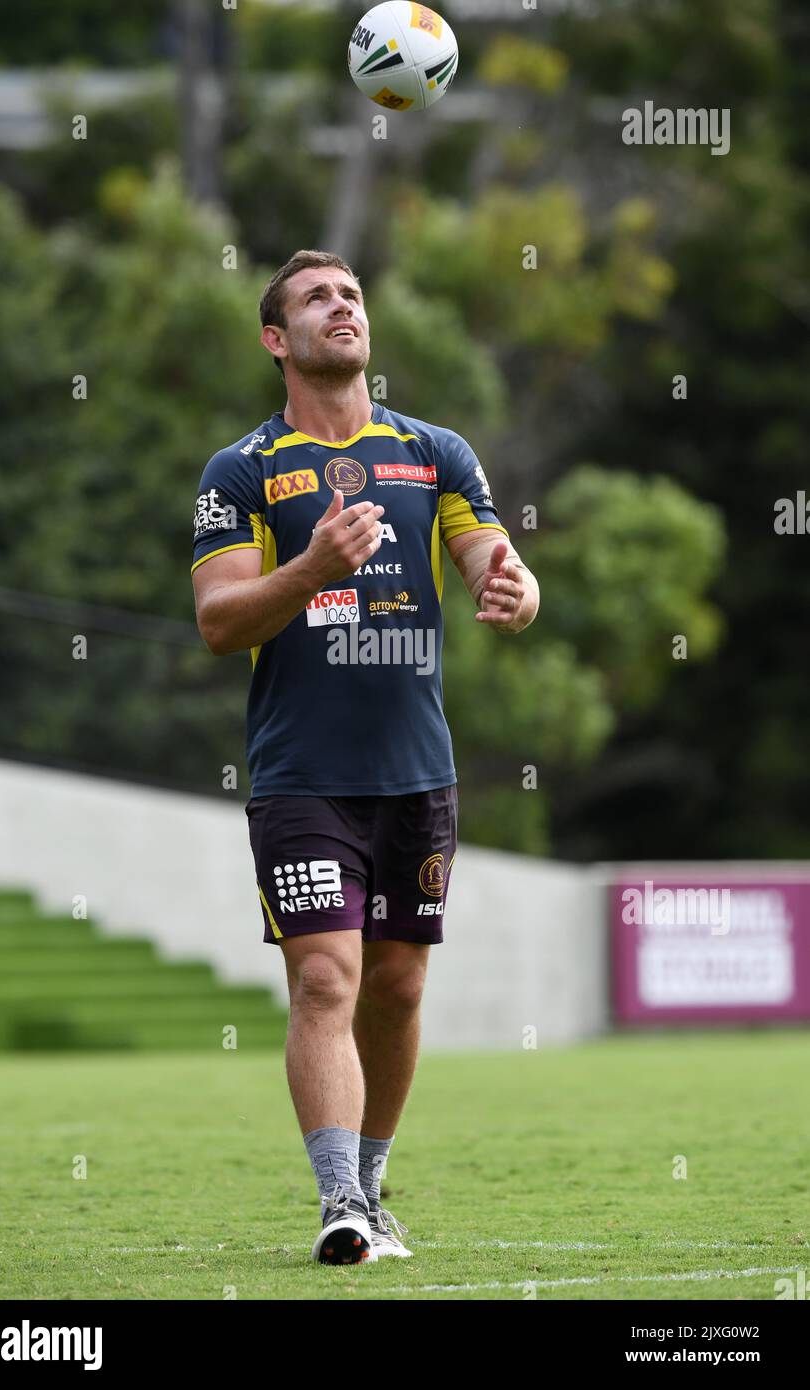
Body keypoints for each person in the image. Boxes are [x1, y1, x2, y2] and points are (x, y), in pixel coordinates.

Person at [191, 249, 539, 1265]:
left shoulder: (434, 452)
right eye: (314, 298)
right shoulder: (243, 469)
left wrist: (515, 593)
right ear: (276, 339)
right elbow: (218, 621)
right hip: (303, 773)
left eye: (350, 295)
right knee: (325, 982)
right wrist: (311, 567)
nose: (340, 307)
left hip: (415, 773)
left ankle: (374, 1185)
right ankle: (340, 1203)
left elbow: (495, 562)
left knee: (396, 987)